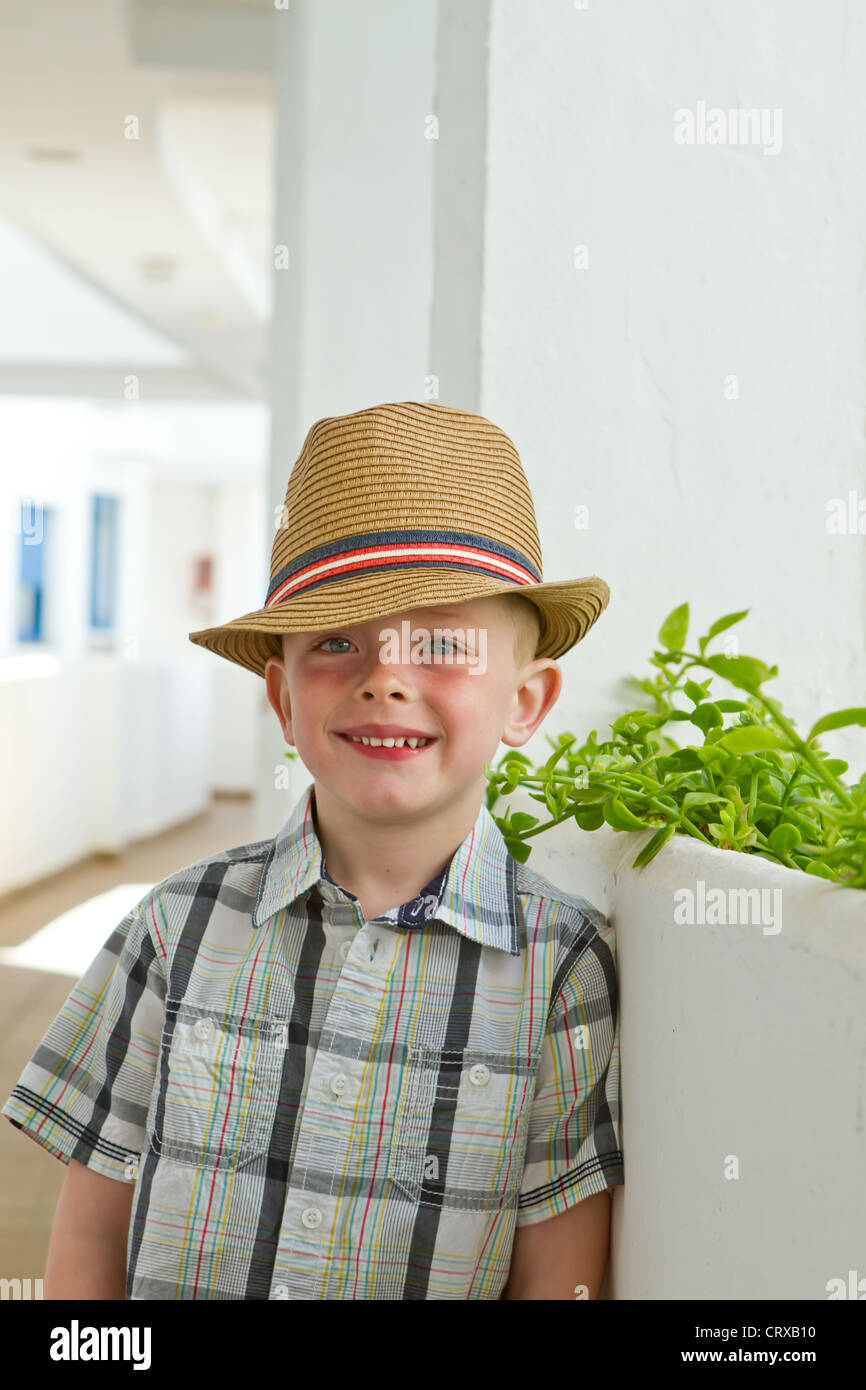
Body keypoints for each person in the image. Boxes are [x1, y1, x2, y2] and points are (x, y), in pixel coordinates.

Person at [2, 400, 624, 1300]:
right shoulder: (175, 927)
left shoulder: (561, 971)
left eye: (441, 643)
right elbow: (88, 1242)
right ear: (285, 699)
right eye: (336, 641)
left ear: (526, 701)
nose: (386, 677)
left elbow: (558, 1280)